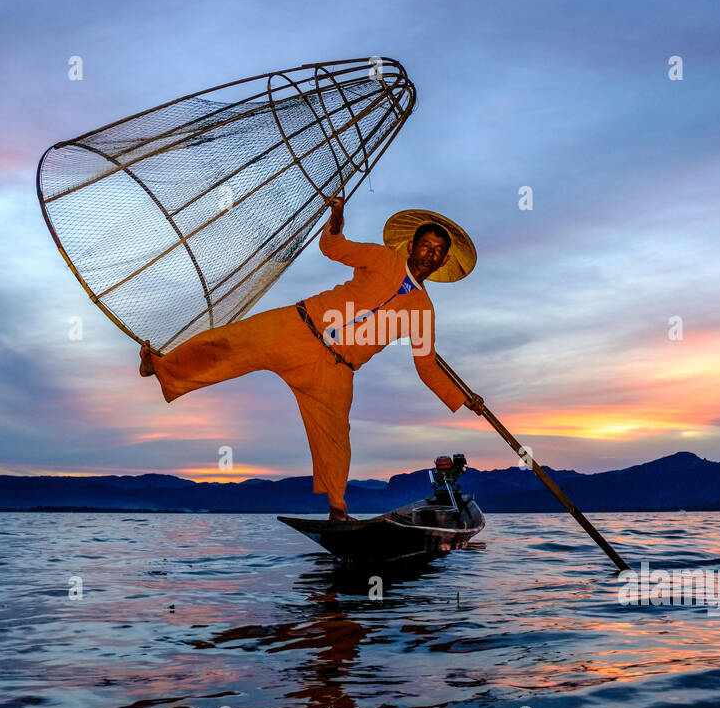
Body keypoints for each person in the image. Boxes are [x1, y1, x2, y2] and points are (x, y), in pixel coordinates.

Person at [139, 195, 485, 521]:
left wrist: (464, 399)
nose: (430, 253)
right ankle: (162, 367)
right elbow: (333, 248)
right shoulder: (382, 258)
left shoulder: (423, 310)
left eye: (438, 251)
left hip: (336, 370)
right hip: (300, 328)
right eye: (426, 245)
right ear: (411, 246)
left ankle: (337, 509)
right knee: (230, 342)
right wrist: (336, 218)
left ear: (442, 262)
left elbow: (426, 367)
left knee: (336, 440)